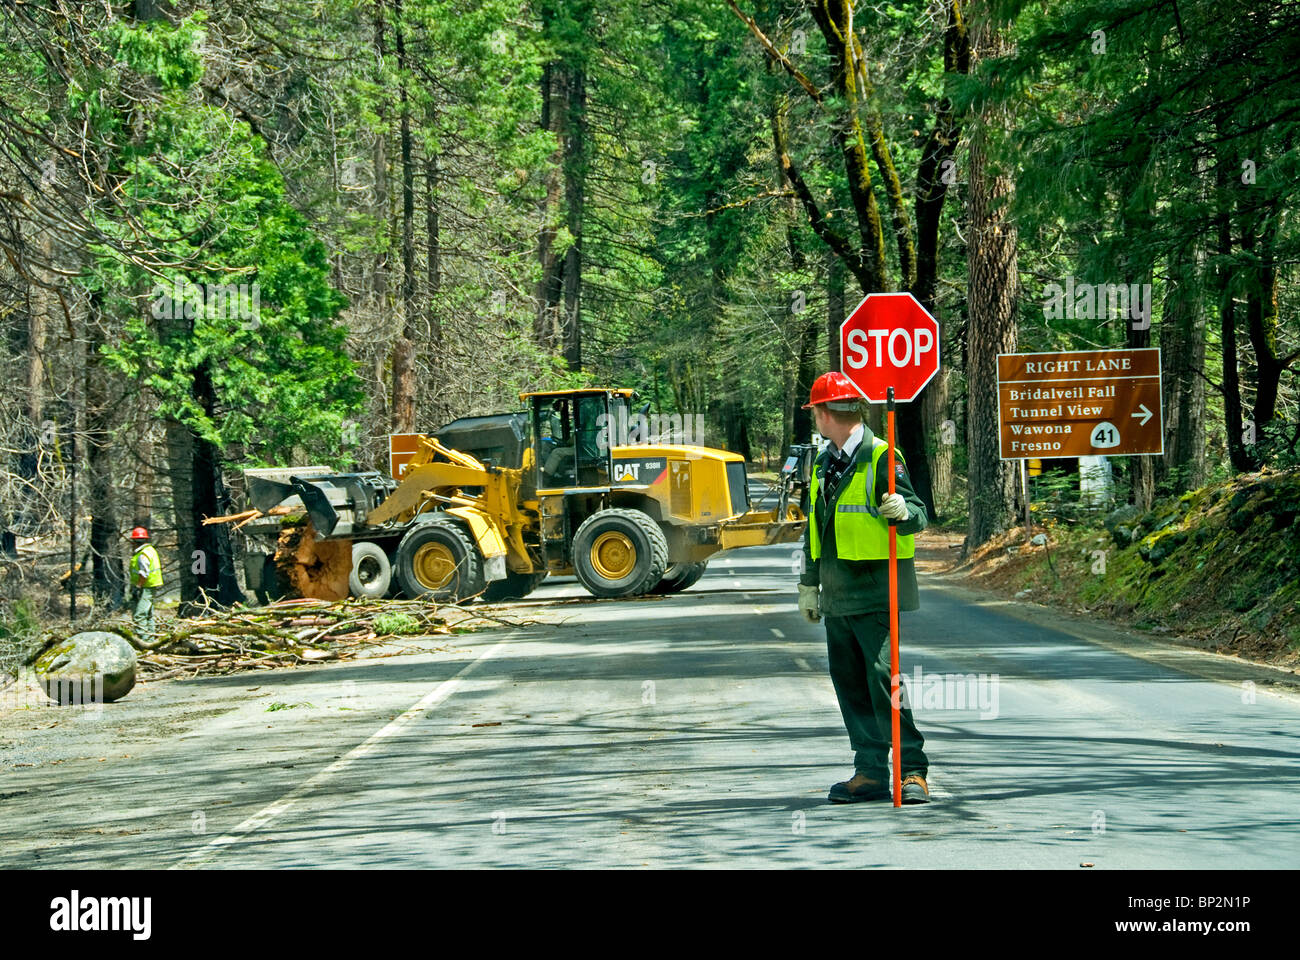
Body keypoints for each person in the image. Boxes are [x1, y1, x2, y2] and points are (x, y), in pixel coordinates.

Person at [796, 371, 932, 804]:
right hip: (836, 595)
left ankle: (912, 770)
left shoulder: (881, 458)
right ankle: (870, 771)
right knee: (850, 683)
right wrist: (808, 583)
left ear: (825, 412)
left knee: (882, 681)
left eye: (816, 411)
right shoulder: (823, 462)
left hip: (875, 591)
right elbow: (815, 530)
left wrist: (902, 510)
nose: (815, 418)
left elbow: (918, 514)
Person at [128, 526, 162, 641]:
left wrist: (138, 586)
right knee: (148, 614)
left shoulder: (142, 555)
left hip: (146, 586)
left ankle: (145, 640)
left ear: (134, 541)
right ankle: (151, 638)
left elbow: (144, 574)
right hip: (150, 585)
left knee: (139, 615)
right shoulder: (150, 550)